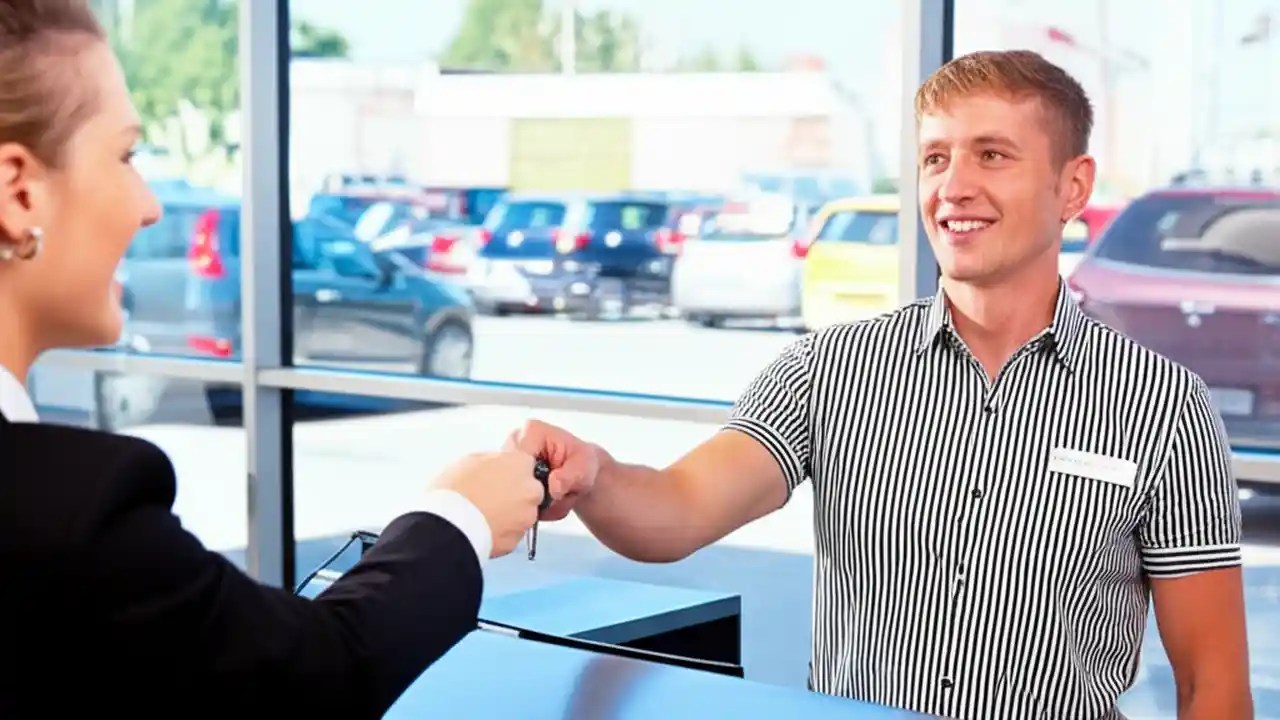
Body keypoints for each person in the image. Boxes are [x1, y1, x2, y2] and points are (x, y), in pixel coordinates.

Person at [511, 50, 1254, 719]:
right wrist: (598, 477)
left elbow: (1212, 688)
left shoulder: (1164, 407)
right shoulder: (826, 370)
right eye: (935, 159)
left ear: (1072, 187)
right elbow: (677, 510)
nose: (953, 187)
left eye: (992, 155)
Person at [0, 1, 544, 717]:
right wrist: (461, 515)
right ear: (18, 191)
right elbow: (316, 676)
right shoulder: (69, 511)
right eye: (127, 155)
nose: (150, 206)